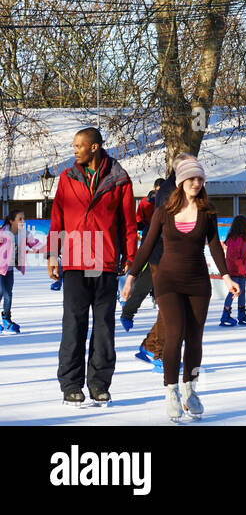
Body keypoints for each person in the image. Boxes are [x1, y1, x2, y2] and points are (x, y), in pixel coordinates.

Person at [123, 155, 237, 422]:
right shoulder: (163, 212)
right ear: (181, 180)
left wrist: (227, 276)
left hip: (198, 282)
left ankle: (190, 390)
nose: (196, 183)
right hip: (168, 281)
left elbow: (214, 246)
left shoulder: (208, 213)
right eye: (191, 178)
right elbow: (147, 246)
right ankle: (171, 392)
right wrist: (130, 277)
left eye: (200, 179)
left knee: (195, 339)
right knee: (174, 334)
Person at [50, 127, 137, 407]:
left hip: (105, 260)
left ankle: (99, 384)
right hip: (75, 260)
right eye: (74, 145)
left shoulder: (120, 179)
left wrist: (131, 259)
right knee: (73, 324)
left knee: (104, 327)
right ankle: (71, 384)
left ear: (95, 147)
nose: (74, 149)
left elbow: (129, 222)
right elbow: (57, 218)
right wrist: (53, 254)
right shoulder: (66, 178)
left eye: (79, 145)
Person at [121, 176, 166, 332]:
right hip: (152, 246)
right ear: (154, 189)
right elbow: (138, 219)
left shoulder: (170, 204)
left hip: (166, 252)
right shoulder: (148, 202)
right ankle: (127, 313)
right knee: (143, 285)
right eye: (158, 191)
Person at [0, 210, 46, 333]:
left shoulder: (23, 234)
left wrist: (48, 251)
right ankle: (6, 319)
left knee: (7, 293)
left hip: (8, 269)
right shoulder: (3, 233)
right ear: (11, 221)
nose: (23, 221)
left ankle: (6, 318)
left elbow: (35, 243)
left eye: (23, 218)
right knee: (5, 294)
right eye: (20, 219)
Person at [220, 215, 246, 326]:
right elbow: (234, 257)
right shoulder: (236, 239)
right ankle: (225, 315)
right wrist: (243, 269)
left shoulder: (242, 239)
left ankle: (242, 314)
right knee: (233, 293)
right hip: (235, 272)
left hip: (241, 272)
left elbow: (242, 256)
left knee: (242, 292)